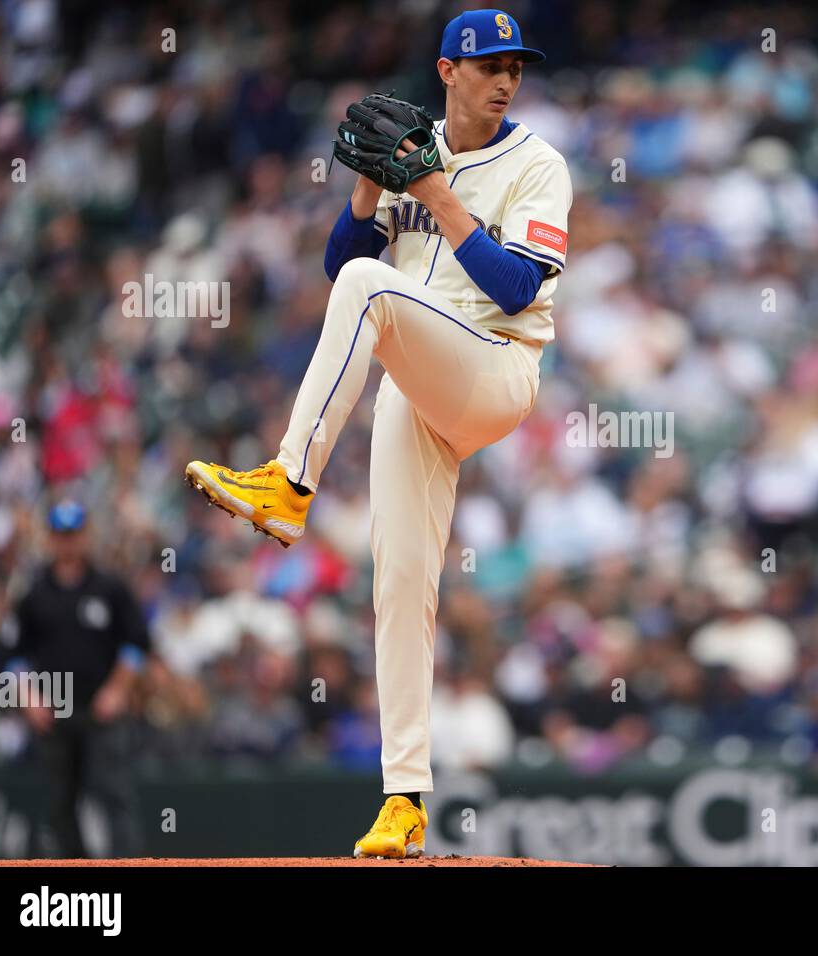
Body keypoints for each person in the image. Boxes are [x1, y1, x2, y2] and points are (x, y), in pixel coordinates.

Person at [185, 8, 571, 858]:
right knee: (400, 586)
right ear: (447, 71)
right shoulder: (408, 150)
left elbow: (514, 290)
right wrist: (367, 185)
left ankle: (288, 484)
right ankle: (405, 802)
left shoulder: (538, 165)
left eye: (516, 64)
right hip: (417, 378)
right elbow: (336, 267)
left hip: (494, 369)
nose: (505, 77)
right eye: (488, 63)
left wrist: (430, 192)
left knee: (372, 283)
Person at [4, 501, 149, 857]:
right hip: (54, 714)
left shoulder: (110, 588)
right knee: (59, 803)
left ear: (85, 535)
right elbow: (13, 654)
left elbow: (137, 643)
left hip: (102, 712)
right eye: (61, 535)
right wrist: (28, 699)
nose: (67, 542)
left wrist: (117, 690)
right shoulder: (35, 592)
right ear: (51, 538)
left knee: (113, 796)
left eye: (73, 534)